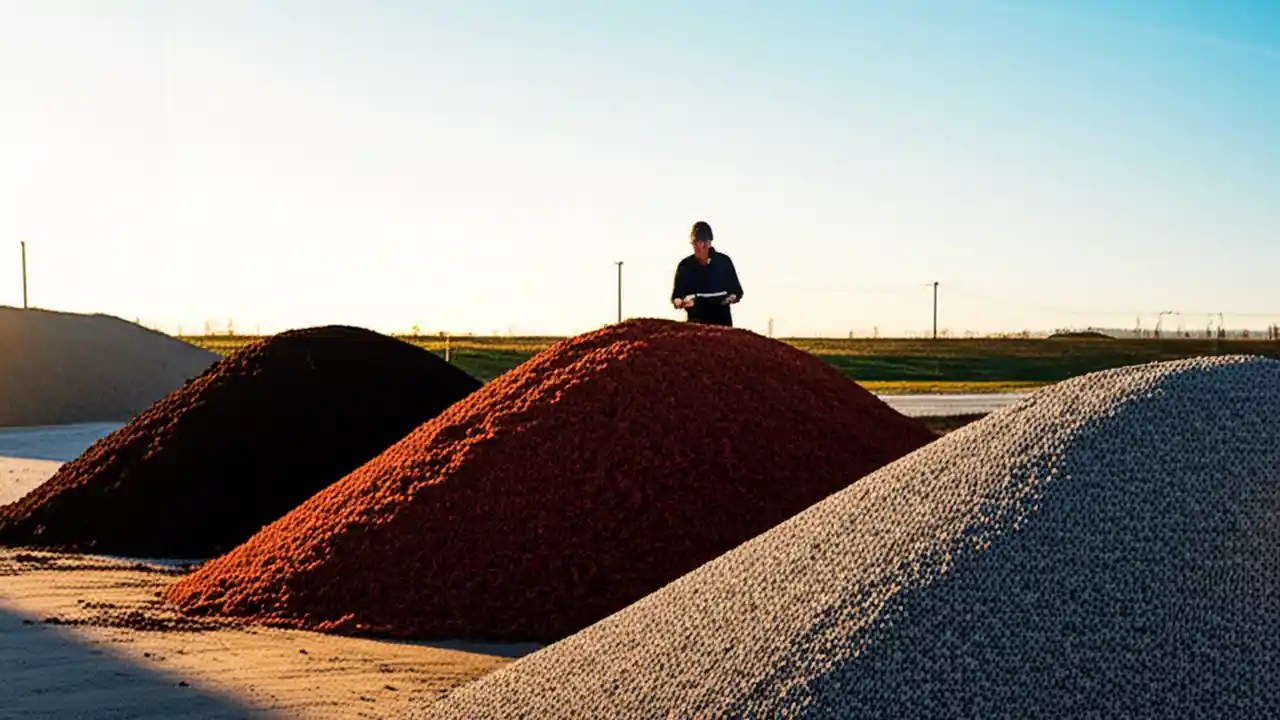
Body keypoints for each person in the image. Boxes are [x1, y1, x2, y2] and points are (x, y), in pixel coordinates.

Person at [671, 221, 743, 327]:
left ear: (710, 242)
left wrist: (729, 298)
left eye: (704, 243)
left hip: (722, 324)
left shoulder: (723, 262)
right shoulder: (685, 266)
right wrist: (683, 302)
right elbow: (677, 297)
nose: (701, 247)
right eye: (696, 243)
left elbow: (736, 292)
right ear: (692, 243)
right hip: (696, 325)